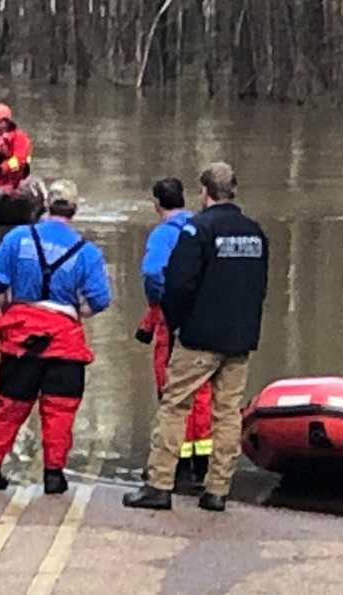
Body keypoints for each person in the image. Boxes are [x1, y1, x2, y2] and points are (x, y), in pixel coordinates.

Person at [123, 162, 269, 512]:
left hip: (200, 336)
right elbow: (259, 286)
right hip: (239, 338)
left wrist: (178, 323)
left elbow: (177, 284)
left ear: (204, 192)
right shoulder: (254, 233)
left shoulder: (197, 229)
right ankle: (217, 490)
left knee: (175, 405)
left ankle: (159, 485)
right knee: (228, 413)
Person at [0, 179, 112, 496]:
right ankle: (54, 475)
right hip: (65, 341)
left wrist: (12, 310)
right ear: (75, 210)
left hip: (21, 338)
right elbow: (99, 300)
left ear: (46, 206)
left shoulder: (17, 238)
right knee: (59, 411)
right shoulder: (87, 252)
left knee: (9, 406)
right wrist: (74, 312)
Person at [133, 177, 210, 489]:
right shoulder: (202, 227)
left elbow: (153, 272)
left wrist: (160, 302)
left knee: (171, 390)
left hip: (173, 321)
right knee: (202, 389)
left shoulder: (163, 234)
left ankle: (174, 463)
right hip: (204, 317)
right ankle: (202, 465)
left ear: (156, 203)